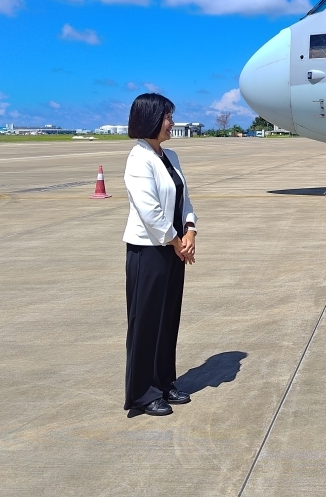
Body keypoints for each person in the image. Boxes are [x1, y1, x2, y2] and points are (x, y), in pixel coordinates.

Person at [122, 93, 197, 416]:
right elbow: (149, 209)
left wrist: (191, 229)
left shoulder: (171, 156)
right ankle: (142, 392)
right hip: (149, 251)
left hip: (173, 248)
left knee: (168, 320)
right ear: (151, 119)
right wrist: (176, 240)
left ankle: (165, 381)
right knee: (146, 323)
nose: (172, 123)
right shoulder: (138, 158)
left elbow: (185, 199)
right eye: (168, 117)